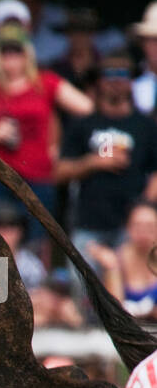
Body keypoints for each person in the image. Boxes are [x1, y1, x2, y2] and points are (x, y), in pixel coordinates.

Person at [0, 25, 93, 245]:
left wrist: (62, 146)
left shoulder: (45, 82)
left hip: (38, 175)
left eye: (16, 52)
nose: (11, 59)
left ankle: (37, 279)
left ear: (27, 54)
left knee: (38, 240)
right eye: (5, 53)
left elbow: (87, 109)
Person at [56, 55, 157, 268]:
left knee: (129, 293)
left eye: (122, 74)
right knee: (85, 294)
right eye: (109, 75)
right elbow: (59, 171)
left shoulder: (146, 126)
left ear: (131, 81)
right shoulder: (83, 124)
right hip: (88, 224)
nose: (116, 81)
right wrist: (92, 162)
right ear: (98, 81)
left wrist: (143, 209)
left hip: (130, 229)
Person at [89, 201, 157, 320]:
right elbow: (115, 313)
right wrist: (113, 269)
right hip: (127, 330)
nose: (143, 232)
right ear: (128, 228)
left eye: (150, 226)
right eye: (138, 226)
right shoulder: (116, 260)